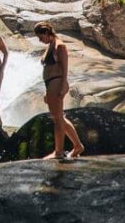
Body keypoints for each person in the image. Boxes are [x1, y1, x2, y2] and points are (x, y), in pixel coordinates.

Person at [34, 21, 85, 158]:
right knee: (59, 117)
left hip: (57, 82)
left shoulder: (59, 45)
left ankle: (59, 151)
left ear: (46, 33)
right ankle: (78, 146)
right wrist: (47, 89)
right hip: (51, 84)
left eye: (40, 37)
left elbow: (65, 68)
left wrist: (63, 85)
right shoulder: (50, 45)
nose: (40, 40)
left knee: (57, 118)